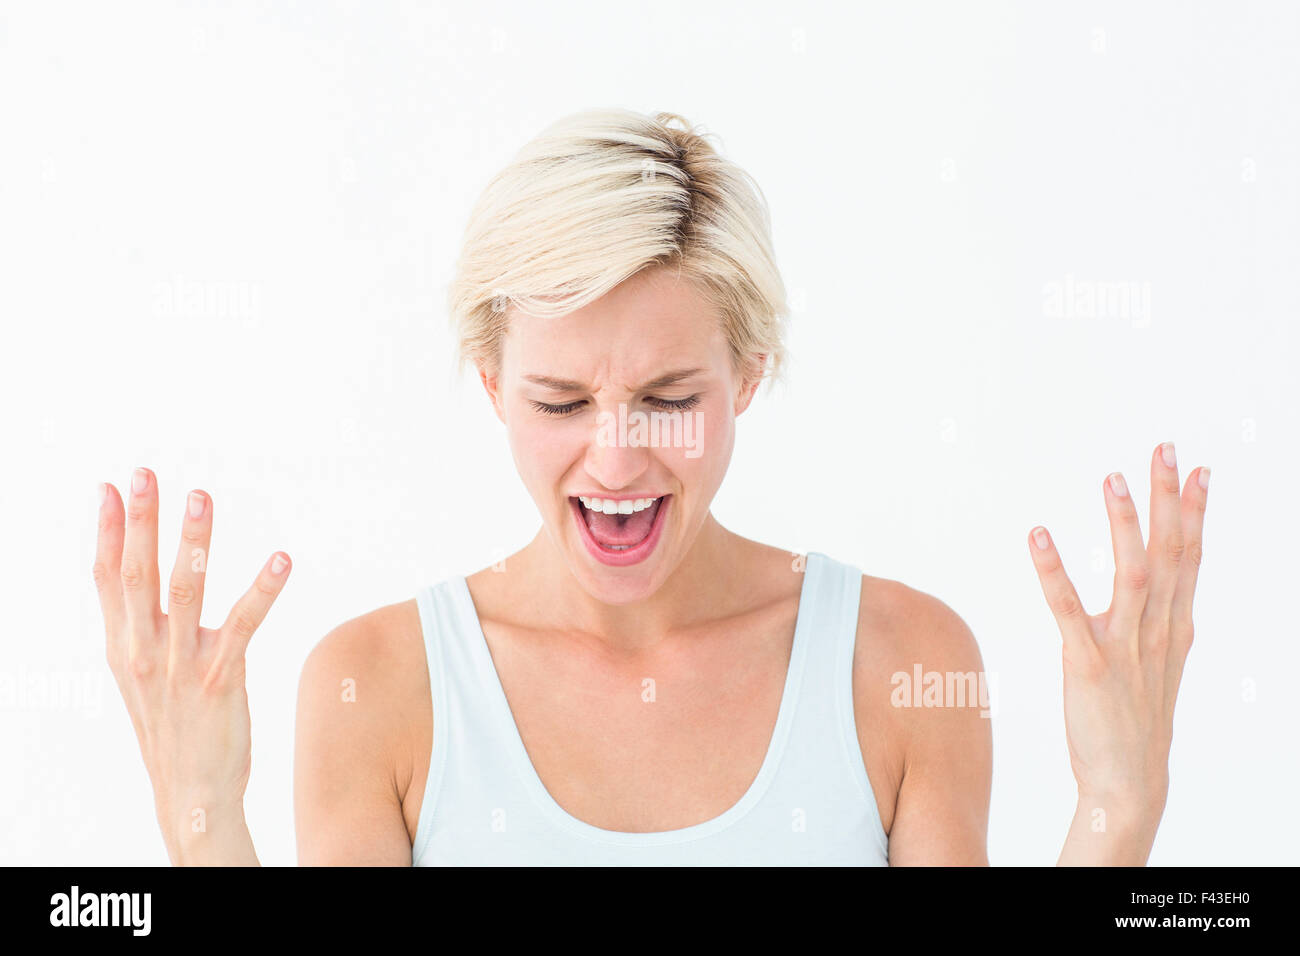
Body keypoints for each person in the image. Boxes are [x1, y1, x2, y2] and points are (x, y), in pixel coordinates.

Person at [92, 108, 1210, 865]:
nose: (617, 460)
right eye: (561, 401)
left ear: (748, 374)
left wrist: (1119, 803)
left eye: (670, 395)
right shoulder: (380, 684)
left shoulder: (904, 662)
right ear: (490, 385)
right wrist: (201, 819)